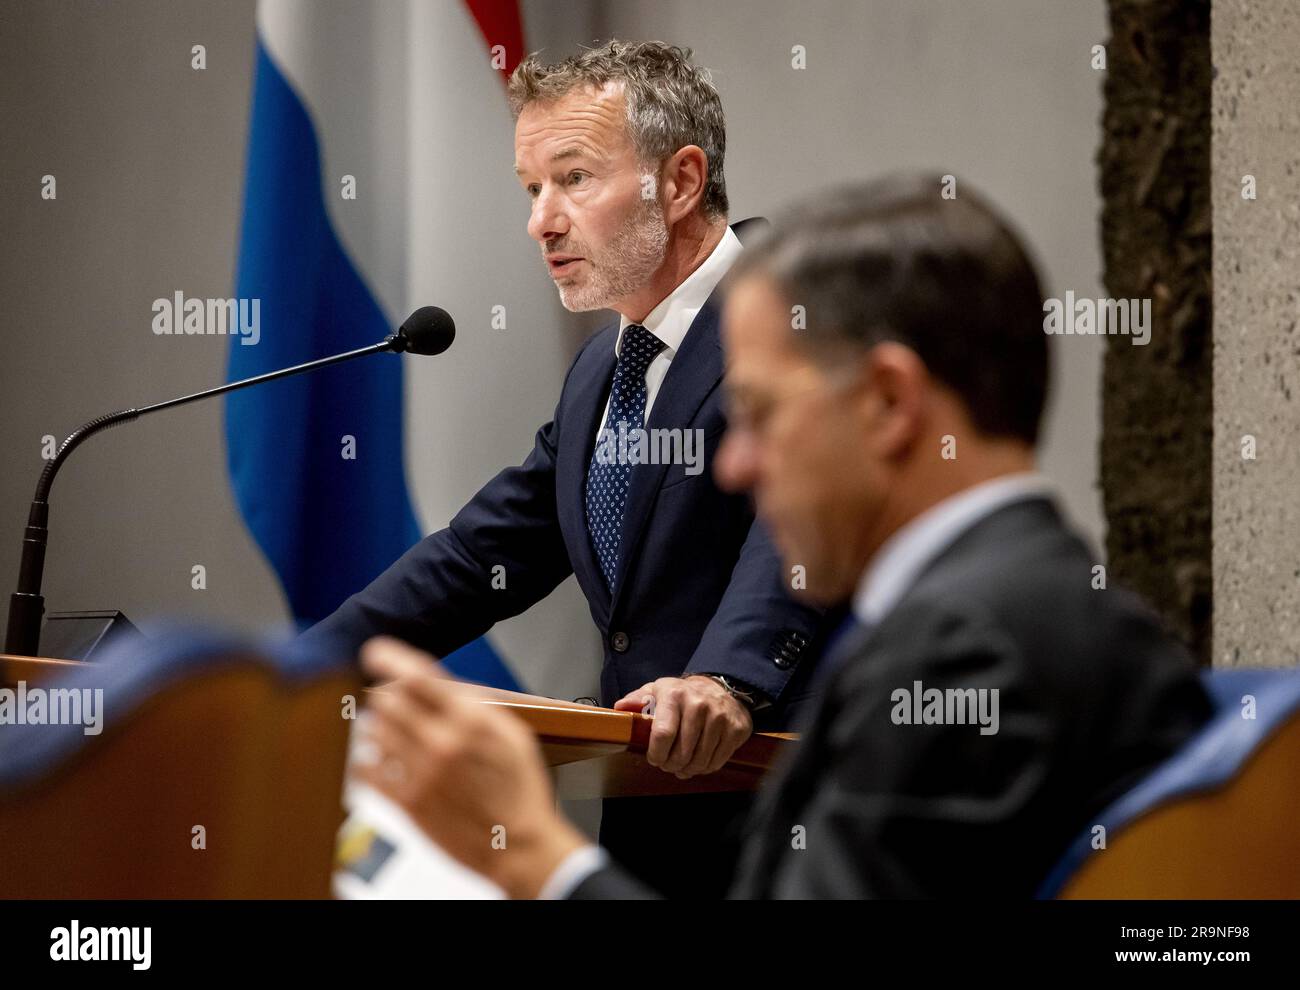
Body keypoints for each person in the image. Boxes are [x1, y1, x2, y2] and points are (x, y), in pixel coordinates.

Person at [352, 174, 1213, 898]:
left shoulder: (964, 652)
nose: (732, 466)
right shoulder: (1044, 611)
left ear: (887, 404)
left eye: (758, 413)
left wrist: (532, 855)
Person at [304, 41, 828, 899]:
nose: (540, 220)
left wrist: (726, 676)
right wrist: (305, 666)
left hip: (783, 807)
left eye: (573, 178)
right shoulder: (604, 369)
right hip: (650, 815)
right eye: (530, 188)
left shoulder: (794, 314)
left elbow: (797, 516)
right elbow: (483, 555)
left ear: (682, 182)